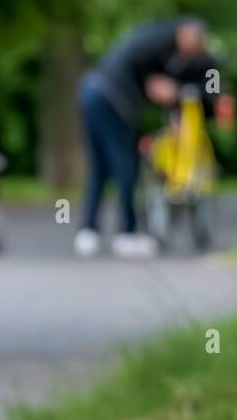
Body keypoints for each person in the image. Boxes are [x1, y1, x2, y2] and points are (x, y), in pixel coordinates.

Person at [74, 18, 216, 258]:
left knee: (100, 167)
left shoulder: (153, 37)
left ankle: (88, 231)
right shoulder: (161, 43)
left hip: (91, 91)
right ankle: (126, 233)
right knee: (126, 165)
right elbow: (154, 83)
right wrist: (159, 87)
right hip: (112, 99)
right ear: (185, 34)